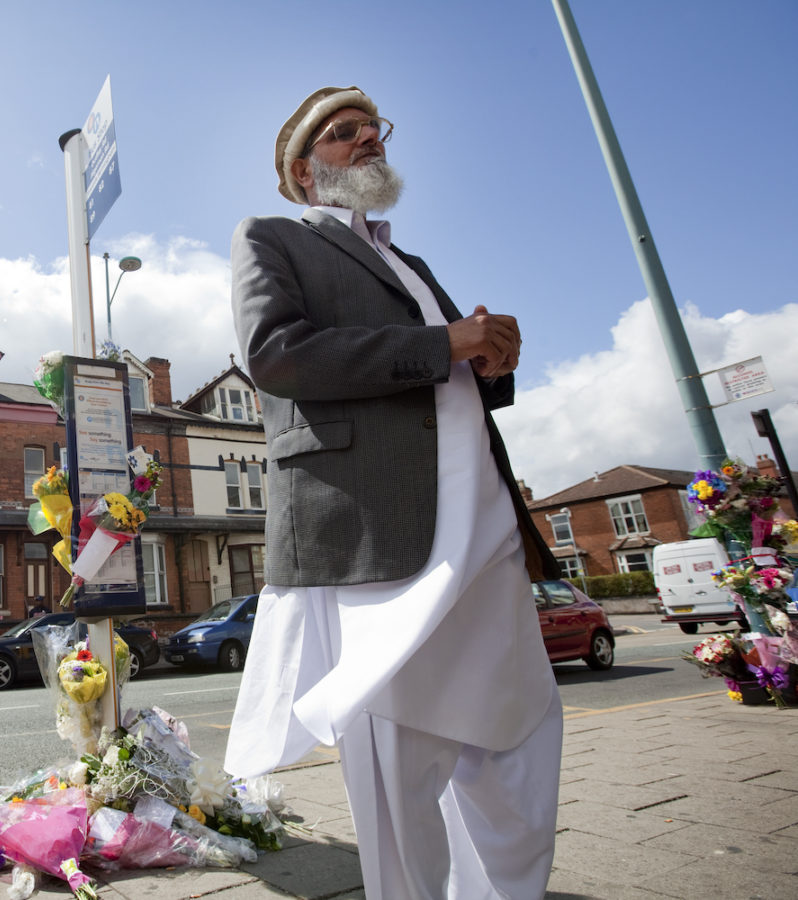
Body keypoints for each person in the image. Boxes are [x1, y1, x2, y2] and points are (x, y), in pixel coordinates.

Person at [225, 86, 563, 899]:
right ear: (303, 172)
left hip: (484, 519)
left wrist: (492, 359)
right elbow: (277, 355)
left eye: (373, 128)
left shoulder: (412, 264)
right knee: (401, 752)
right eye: (344, 133)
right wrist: (447, 342)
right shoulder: (271, 235)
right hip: (377, 520)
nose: (368, 139)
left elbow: (451, 368)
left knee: (520, 735)